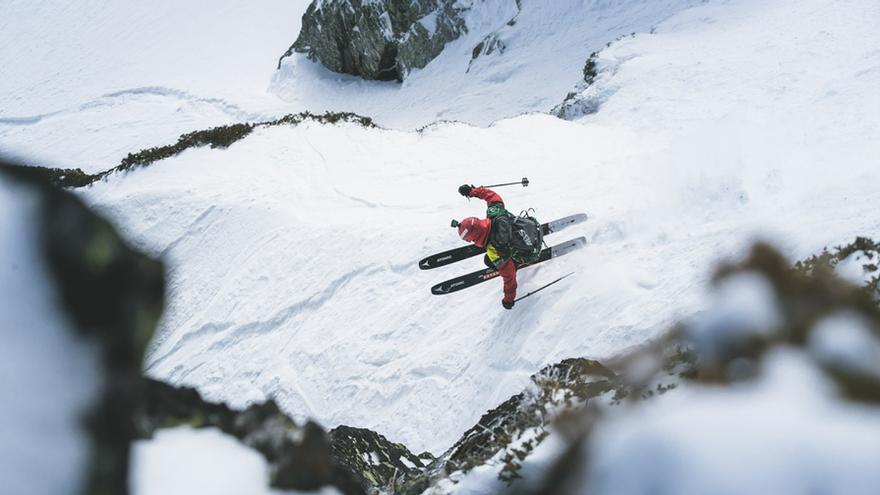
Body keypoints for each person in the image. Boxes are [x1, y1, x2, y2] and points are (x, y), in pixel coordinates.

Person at [456, 184, 520, 310]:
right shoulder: (494, 212)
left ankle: (516, 260)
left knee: (488, 260)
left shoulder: (493, 251)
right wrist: (472, 191)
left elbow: (509, 277)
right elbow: (491, 196)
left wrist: (508, 299)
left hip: (525, 252)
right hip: (523, 227)